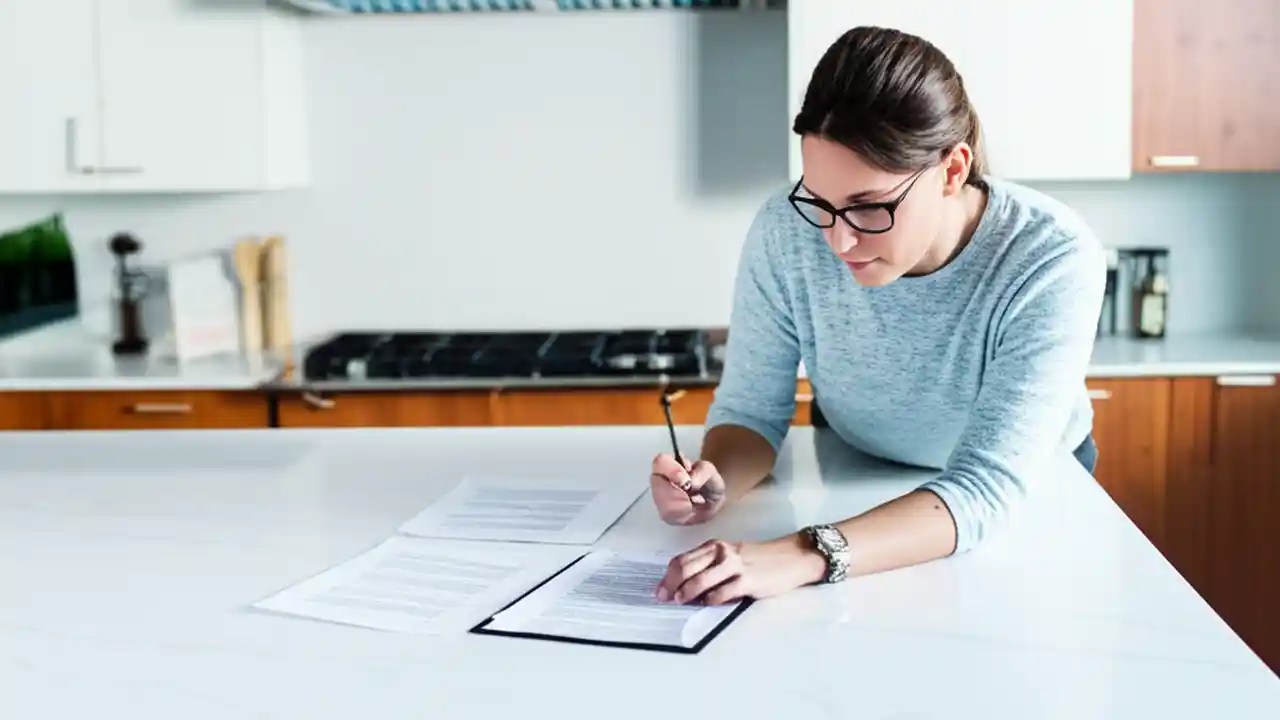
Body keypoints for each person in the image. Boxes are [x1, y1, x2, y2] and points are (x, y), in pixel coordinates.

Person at [650, 26, 1106, 607]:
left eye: (870, 207)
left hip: (1025, 498)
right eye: (820, 202)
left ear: (952, 169)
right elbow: (749, 413)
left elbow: (987, 488)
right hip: (853, 475)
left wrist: (797, 555)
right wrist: (715, 483)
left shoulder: (1051, 255)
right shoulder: (786, 232)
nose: (838, 241)